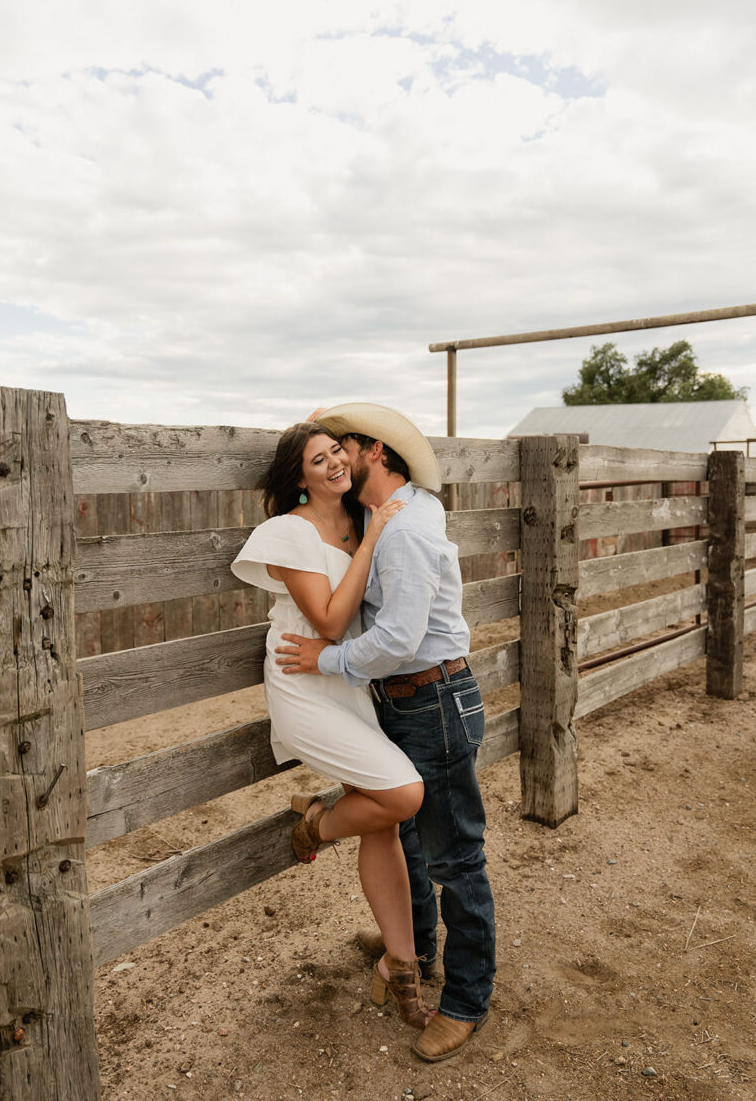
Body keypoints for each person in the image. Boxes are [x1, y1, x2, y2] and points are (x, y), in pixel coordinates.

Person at [275, 403, 496, 1063]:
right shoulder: (389, 512)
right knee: (405, 833)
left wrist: (326, 659)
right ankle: (417, 945)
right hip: (403, 700)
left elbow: (399, 636)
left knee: (455, 857)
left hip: (432, 699)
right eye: (329, 452)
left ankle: (465, 1001)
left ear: (375, 452)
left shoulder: (404, 530)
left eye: (345, 446)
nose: (339, 458)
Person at [231, 421, 433, 1029]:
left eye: (337, 453)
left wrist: (373, 532)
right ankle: (317, 825)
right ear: (299, 477)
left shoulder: (360, 519)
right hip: (303, 678)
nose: (334, 466)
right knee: (404, 794)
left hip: (345, 681)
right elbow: (325, 622)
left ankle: (400, 967)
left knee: (385, 820)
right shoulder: (290, 532)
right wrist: (372, 543)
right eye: (317, 461)